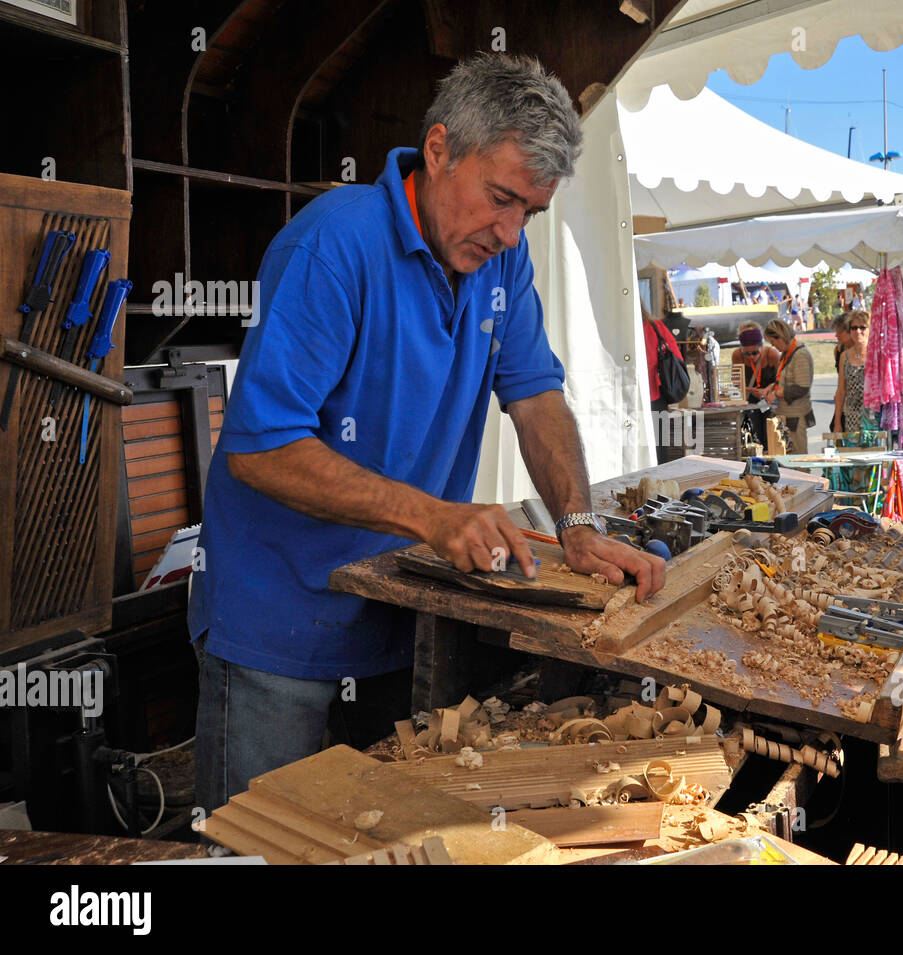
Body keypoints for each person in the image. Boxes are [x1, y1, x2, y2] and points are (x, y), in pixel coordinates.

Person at [188, 54, 667, 813]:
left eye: (530, 215)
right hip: (279, 625)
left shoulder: (500, 267)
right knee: (257, 845)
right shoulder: (334, 247)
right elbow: (259, 446)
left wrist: (576, 524)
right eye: (501, 199)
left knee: (386, 836)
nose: (511, 233)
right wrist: (434, 517)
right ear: (439, 150)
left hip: (395, 616)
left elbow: (536, 395)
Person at [761, 318, 814, 453]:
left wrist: (777, 393)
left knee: (798, 460)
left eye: (773, 342)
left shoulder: (800, 355)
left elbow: (801, 387)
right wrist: (773, 386)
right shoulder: (787, 353)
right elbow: (787, 379)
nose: (773, 346)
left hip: (795, 417)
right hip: (786, 416)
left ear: (780, 337)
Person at [643, 305, 686, 461]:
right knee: (657, 457)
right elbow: (678, 361)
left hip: (623, 405)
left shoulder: (611, 332)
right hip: (655, 401)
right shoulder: (656, 327)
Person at [833, 311, 868, 436]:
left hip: (873, 417)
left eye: (862, 327)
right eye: (854, 328)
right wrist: (837, 422)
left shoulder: (876, 354)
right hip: (851, 417)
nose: (858, 331)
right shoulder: (844, 356)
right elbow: (841, 390)